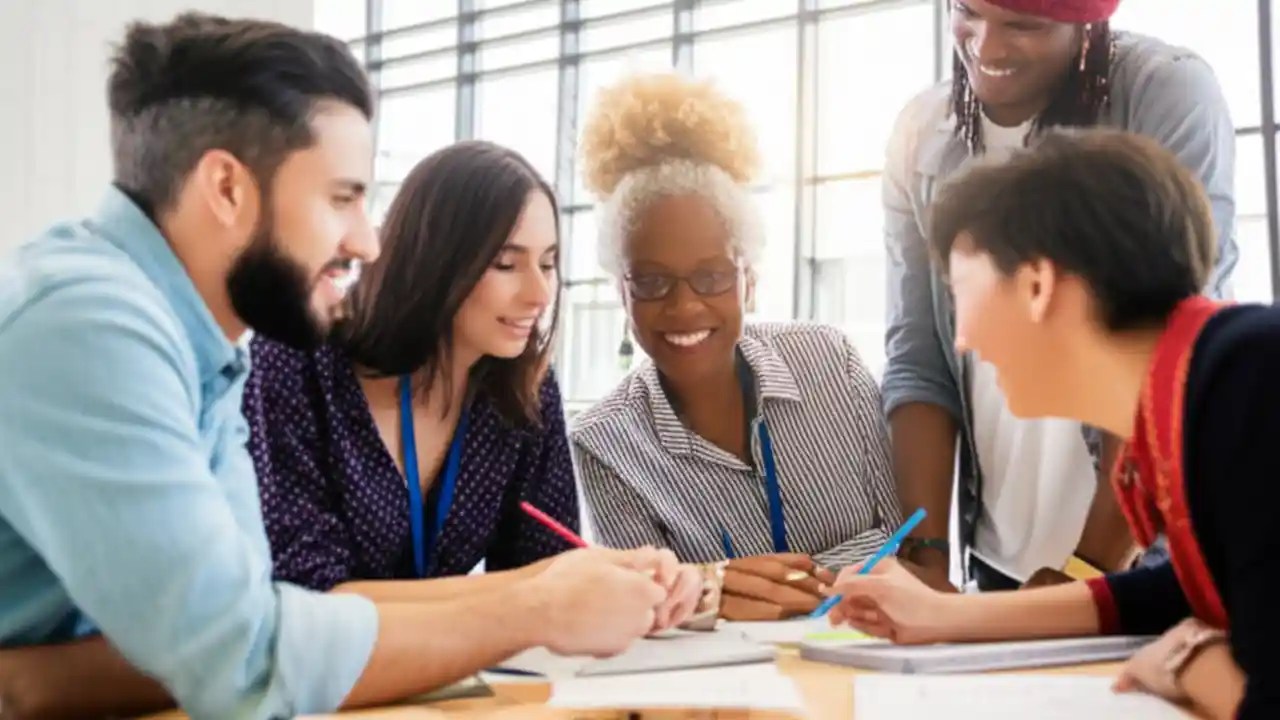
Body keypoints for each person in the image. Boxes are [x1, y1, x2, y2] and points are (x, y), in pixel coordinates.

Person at [0, 14, 693, 720]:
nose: (365, 241)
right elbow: (251, 659)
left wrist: (56, 679)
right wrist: (534, 606)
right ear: (227, 189)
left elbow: (248, 626)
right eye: (342, 198)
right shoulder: (90, 328)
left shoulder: (206, 347)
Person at [830, 128, 1275, 719]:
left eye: (962, 289)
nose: (961, 340)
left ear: (1037, 285)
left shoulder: (1251, 384)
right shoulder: (1211, 385)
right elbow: (1178, 591)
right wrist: (944, 614)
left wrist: (1188, 662)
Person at [883, 0, 1239, 592]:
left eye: (1023, 25)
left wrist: (1090, 566)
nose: (987, 47)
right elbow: (919, 356)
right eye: (969, 12)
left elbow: (1158, 345)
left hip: (1139, 556)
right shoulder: (922, 132)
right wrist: (924, 561)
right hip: (1001, 552)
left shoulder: (1164, 92)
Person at [570, 72, 903, 622]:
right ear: (619, 290)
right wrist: (708, 592)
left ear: (749, 278)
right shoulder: (603, 442)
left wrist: (735, 589)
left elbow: (899, 540)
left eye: (712, 277)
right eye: (652, 282)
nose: (684, 309)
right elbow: (644, 610)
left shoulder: (829, 362)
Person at [242, 140, 646, 589]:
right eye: (506, 264)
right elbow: (305, 597)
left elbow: (548, 570)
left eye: (548, 264)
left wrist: (613, 584)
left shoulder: (523, 388)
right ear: (433, 260)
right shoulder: (296, 362)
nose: (539, 293)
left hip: (455, 659)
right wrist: (526, 598)